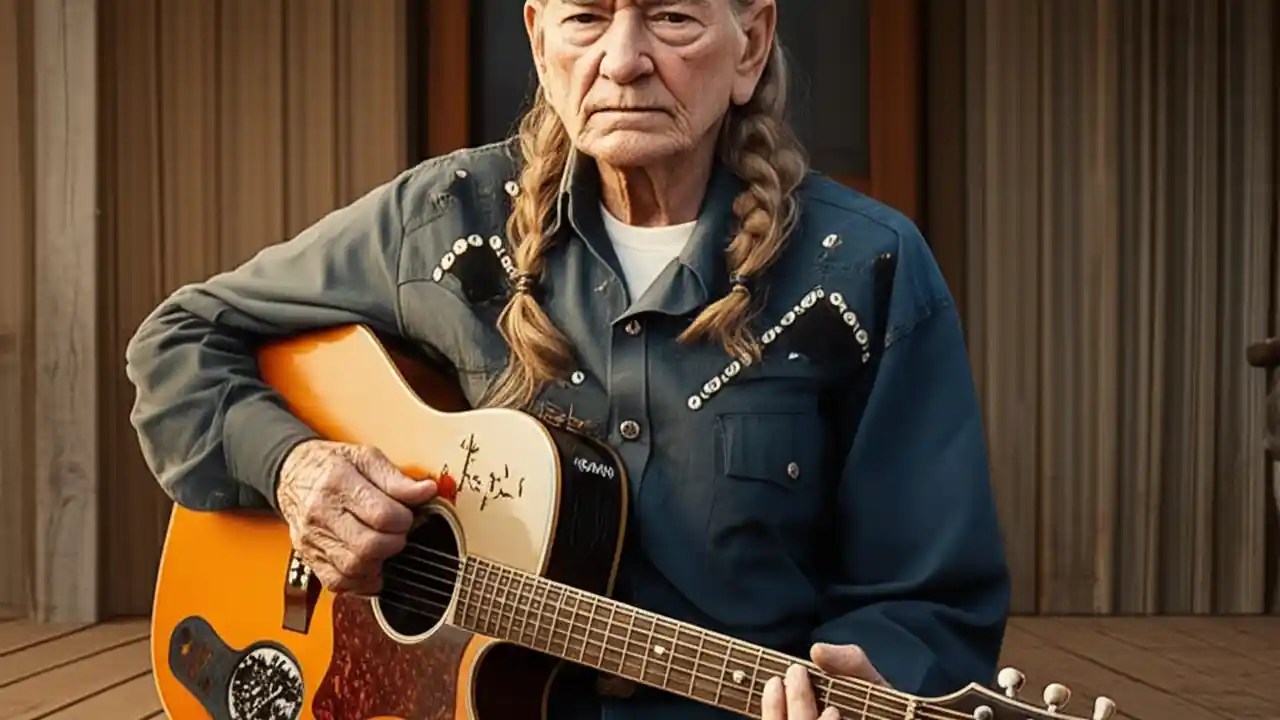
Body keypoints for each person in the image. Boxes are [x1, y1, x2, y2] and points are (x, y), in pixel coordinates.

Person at [125, 1, 1010, 719]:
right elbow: (180, 342)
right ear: (539, 38)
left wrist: (877, 670)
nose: (622, 61)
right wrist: (294, 468)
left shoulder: (864, 269)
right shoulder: (446, 218)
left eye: (670, 19)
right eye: (587, 17)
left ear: (753, 44)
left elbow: (929, 599)